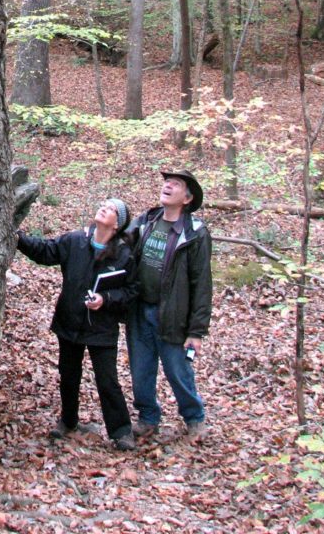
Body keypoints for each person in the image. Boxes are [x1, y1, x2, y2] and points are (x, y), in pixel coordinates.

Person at [17, 198, 138, 451]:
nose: (103, 208)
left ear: (118, 224)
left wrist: (105, 299)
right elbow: (46, 251)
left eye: (112, 209)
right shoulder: (75, 240)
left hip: (102, 328)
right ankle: (68, 421)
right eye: (103, 204)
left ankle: (121, 432)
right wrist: (18, 237)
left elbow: (131, 290)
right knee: (68, 376)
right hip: (69, 322)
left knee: (108, 381)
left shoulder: (124, 254)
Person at [126, 168, 212, 443]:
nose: (167, 186)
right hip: (140, 312)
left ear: (187, 198)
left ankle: (194, 418)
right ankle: (148, 418)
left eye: (175, 184)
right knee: (141, 370)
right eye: (166, 182)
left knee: (178, 371)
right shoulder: (147, 221)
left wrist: (197, 331)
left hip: (173, 316)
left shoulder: (195, 234)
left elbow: (202, 284)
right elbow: (118, 243)